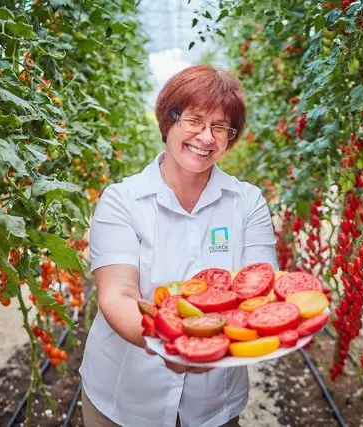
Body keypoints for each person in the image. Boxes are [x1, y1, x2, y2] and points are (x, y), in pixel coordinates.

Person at [79, 64, 277, 427]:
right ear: (168, 121)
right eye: (194, 120)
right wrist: (169, 343)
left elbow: (260, 288)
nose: (206, 137)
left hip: (213, 406)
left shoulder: (248, 202)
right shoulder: (122, 201)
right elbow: (117, 295)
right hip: (124, 401)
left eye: (220, 127)